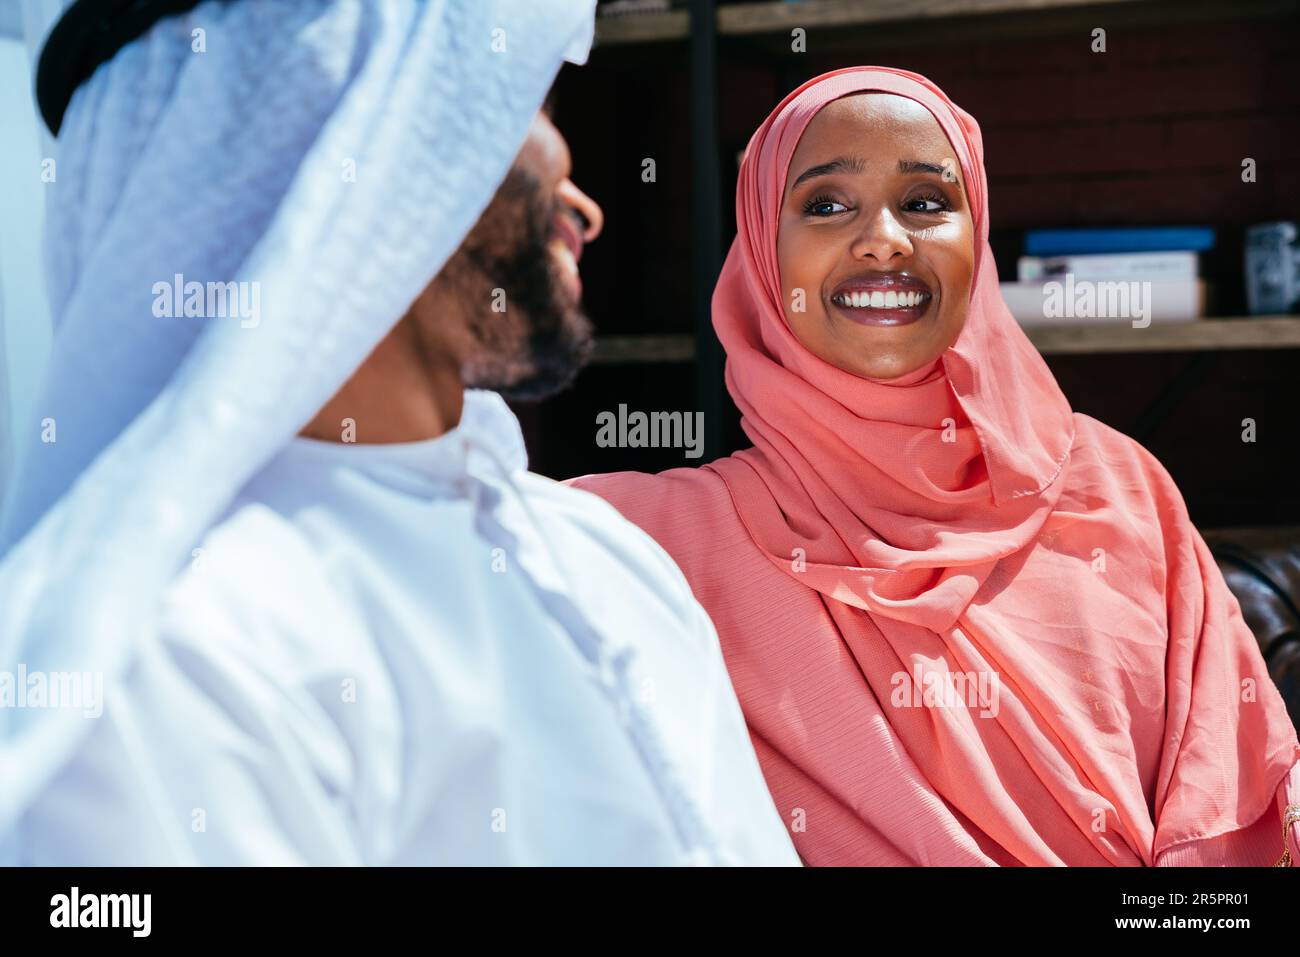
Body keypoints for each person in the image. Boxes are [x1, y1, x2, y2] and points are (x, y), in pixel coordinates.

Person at [0, 0, 799, 867]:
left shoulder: (612, 558)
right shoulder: (170, 656)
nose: (584, 203)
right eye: (521, 100)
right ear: (364, 137)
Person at [572, 66, 1300, 866]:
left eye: (925, 202)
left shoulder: (1121, 483)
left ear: (976, 236)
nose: (884, 236)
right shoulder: (652, 541)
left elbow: (1226, 793)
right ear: (762, 255)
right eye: (825, 204)